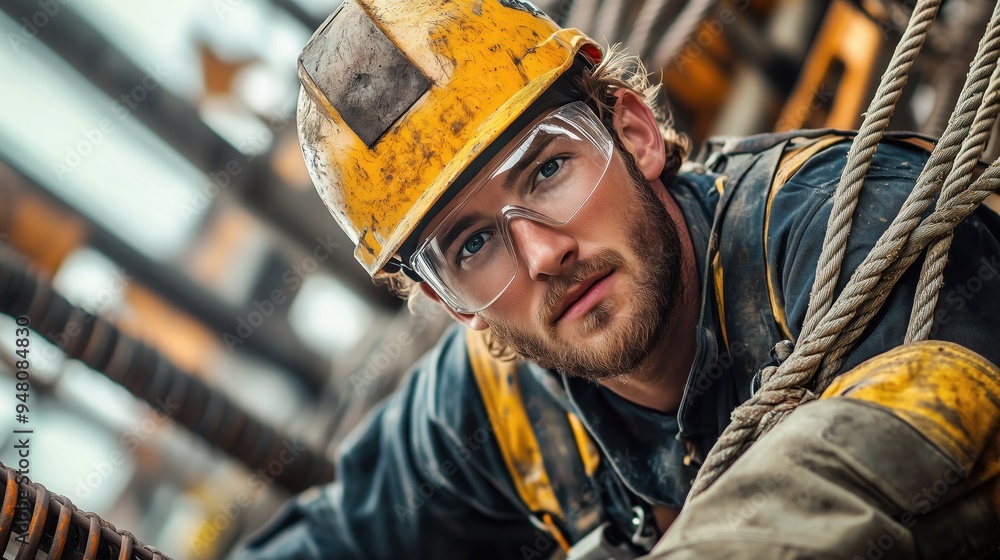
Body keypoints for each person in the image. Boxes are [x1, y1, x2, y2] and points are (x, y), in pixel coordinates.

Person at [236, 0, 1000, 558]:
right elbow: (340, 538)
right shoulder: (499, 403)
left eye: (547, 169)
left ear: (634, 132)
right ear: (449, 301)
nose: (541, 255)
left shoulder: (853, 225)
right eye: (472, 245)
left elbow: (867, 470)